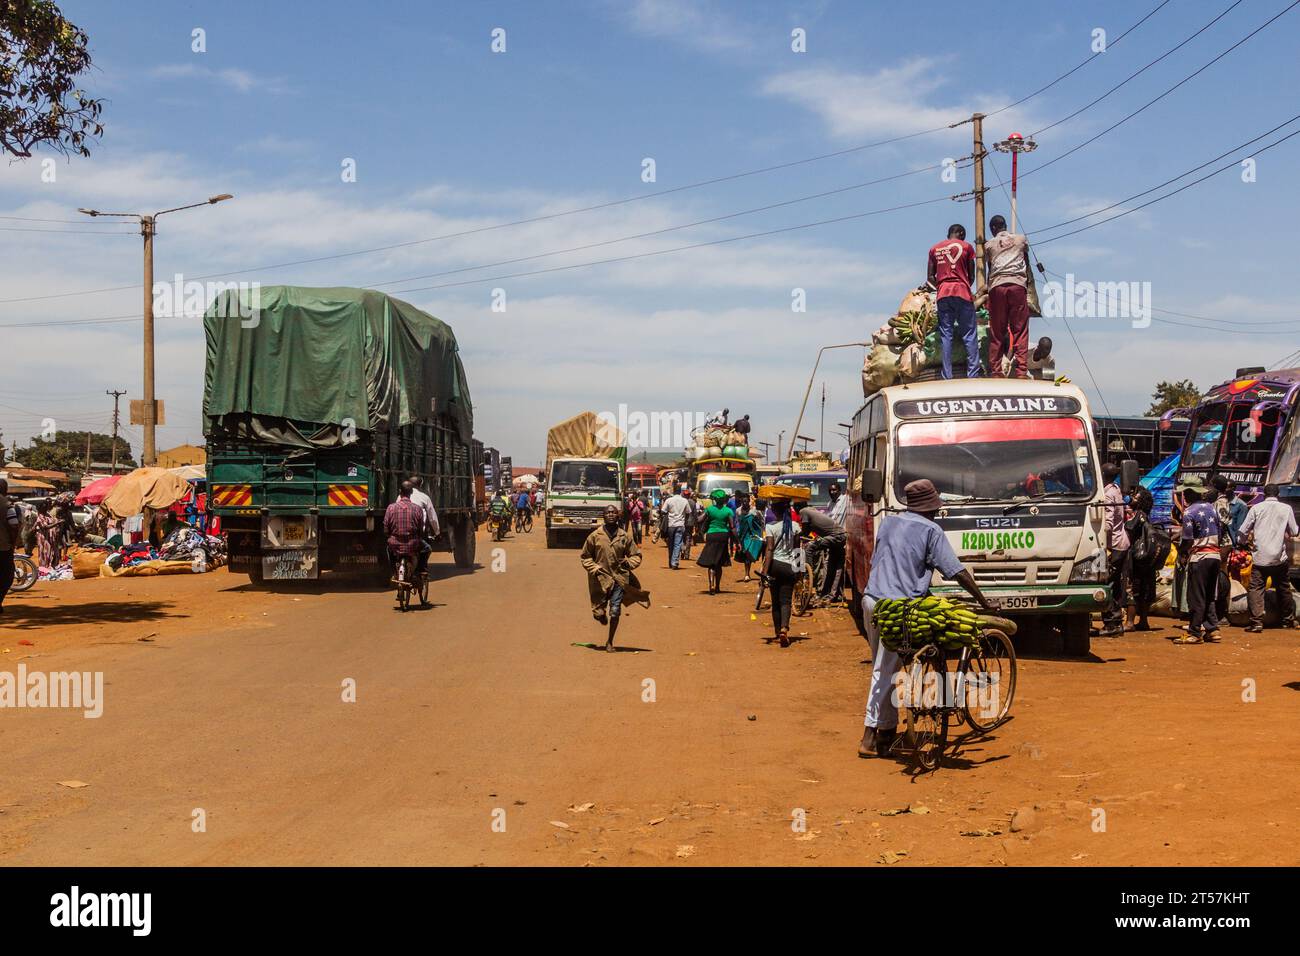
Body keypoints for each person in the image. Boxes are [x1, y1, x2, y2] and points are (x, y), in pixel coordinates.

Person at [858, 479, 994, 758]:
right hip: (896, 608)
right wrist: (983, 601)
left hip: (871, 600)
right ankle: (869, 736)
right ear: (931, 507)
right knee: (885, 670)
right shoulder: (931, 530)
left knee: (883, 666)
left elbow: (892, 563)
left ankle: (885, 732)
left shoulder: (888, 522)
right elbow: (956, 571)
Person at [580, 504, 645, 652]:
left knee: (615, 611)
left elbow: (636, 555)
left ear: (618, 516)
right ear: (603, 515)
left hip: (619, 579)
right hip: (600, 581)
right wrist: (594, 568)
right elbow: (585, 557)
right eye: (607, 512)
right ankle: (601, 616)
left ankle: (610, 641)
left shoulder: (625, 536)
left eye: (613, 512)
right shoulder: (595, 536)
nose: (610, 515)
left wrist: (629, 562)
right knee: (599, 613)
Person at [1239, 484, 1297, 633]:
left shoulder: (1256, 508)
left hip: (1260, 558)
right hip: (1279, 558)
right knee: (1283, 588)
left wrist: (1243, 543)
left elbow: (1243, 531)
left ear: (1264, 494)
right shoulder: (1286, 509)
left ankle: (1256, 622)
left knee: (1256, 589)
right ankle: (1288, 620)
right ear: (1278, 494)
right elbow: (1295, 531)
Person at [928, 223, 980, 380]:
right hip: (962, 292)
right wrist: (963, 284)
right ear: (961, 233)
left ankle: (947, 375)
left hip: (943, 294)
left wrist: (941, 286)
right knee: (970, 334)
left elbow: (930, 277)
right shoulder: (967, 247)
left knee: (946, 335)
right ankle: (972, 375)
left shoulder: (934, 249)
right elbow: (972, 275)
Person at [1175, 479, 1222, 645]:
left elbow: (1187, 539)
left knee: (1197, 596)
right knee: (1209, 595)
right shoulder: (1212, 508)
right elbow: (1220, 532)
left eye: (1185, 492)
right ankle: (1213, 629)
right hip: (1215, 556)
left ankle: (1195, 632)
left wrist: (1182, 554)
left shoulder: (1189, 512)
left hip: (1200, 557)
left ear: (1189, 493)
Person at [983, 214, 1031, 378]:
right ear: (1004, 226)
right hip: (1017, 285)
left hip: (997, 287)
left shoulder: (989, 244)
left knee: (997, 331)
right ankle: (1021, 371)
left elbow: (991, 267)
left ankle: (996, 371)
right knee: (1020, 329)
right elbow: (1026, 260)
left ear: (993, 229)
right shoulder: (1020, 239)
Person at [760, 494, 804, 647]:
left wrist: (765, 572)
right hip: (790, 567)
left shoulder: (771, 526)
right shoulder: (795, 526)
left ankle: (778, 632)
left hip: (775, 566)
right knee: (786, 601)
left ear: (775, 511)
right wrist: (799, 570)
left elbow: (770, 550)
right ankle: (785, 628)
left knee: (775, 602)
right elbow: (798, 550)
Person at [1125, 485, 1169, 632]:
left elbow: (1130, 528)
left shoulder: (1139, 515)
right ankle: (1143, 621)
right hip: (1147, 560)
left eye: (1135, 497)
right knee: (1145, 589)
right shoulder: (1147, 516)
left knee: (1132, 588)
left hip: (1137, 558)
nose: (1132, 499)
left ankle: (1130, 622)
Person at [1099, 463, 1131, 637]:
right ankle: (1116, 622)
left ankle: (1111, 623)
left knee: (1106, 583)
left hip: (1112, 545)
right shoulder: (1116, 489)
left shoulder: (1106, 494)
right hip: (1121, 543)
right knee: (1116, 584)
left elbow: (1108, 524)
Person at [795, 495, 846, 604]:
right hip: (840, 535)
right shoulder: (812, 509)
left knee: (809, 547)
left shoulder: (804, 511)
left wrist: (796, 536)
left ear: (797, 508)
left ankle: (809, 571)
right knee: (834, 567)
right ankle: (832, 594)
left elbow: (805, 532)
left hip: (836, 536)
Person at [384, 481, 428, 582]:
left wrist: (390, 536)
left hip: (395, 544)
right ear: (411, 492)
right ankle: (420, 571)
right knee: (427, 548)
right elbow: (421, 529)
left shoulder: (391, 508)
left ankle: (393, 572)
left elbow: (386, 528)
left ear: (400, 492)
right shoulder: (417, 509)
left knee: (387, 548)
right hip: (413, 544)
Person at [695, 488, 735, 594]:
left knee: (711, 563)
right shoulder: (728, 511)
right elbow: (732, 526)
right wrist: (737, 541)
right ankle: (717, 586)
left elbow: (699, 519)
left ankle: (711, 585)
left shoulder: (709, 509)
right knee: (719, 563)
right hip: (723, 536)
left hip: (712, 536)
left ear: (715, 500)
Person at [408, 476, 441, 564]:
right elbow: (432, 517)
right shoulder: (424, 497)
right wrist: (437, 533)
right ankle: (422, 570)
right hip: (417, 534)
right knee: (427, 548)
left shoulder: (399, 498)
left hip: (398, 534)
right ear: (420, 486)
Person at [733, 491, 764, 582]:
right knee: (745, 553)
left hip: (753, 535)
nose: (745, 503)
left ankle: (749, 574)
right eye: (743, 501)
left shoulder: (755, 510)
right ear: (741, 501)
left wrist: (761, 533)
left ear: (749, 501)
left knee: (748, 552)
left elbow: (761, 522)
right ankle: (747, 574)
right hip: (743, 535)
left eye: (746, 501)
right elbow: (738, 522)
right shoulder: (738, 510)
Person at [0, 479, 20, 616]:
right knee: (7, 575)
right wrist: (13, 542)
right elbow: (13, 525)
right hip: (3, 547)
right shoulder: (7, 506)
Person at [660, 486, 690, 569]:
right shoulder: (684, 501)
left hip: (671, 525)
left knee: (671, 544)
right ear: (681, 492)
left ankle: (670, 562)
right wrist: (685, 521)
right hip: (680, 525)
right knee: (677, 544)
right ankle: (674, 563)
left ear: (673, 491)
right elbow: (688, 512)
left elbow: (663, 511)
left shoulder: (669, 500)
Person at [680, 489, 698, 560]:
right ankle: (687, 555)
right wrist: (696, 524)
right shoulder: (693, 502)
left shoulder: (681, 502)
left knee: (681, 537)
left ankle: (682, 551)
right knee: (688, 538)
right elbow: (695, 514)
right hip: (690, 523)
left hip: (682, 522)